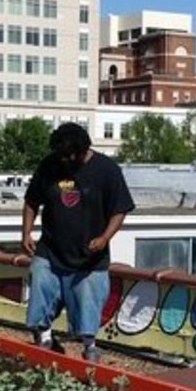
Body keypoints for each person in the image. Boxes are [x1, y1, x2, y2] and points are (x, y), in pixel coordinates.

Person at [21, 123, 135, 362]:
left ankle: (89, 347)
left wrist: (105, 237)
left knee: (87, 300)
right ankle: (44, 339)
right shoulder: (49, 165)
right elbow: (32, 200)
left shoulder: (107, 170)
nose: (66, 161)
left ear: (83, 151)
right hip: (51, 249)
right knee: (41, 286)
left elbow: (120, 209)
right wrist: (26, 233)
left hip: (89, 256)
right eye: (62, 156)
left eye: (71, 157)